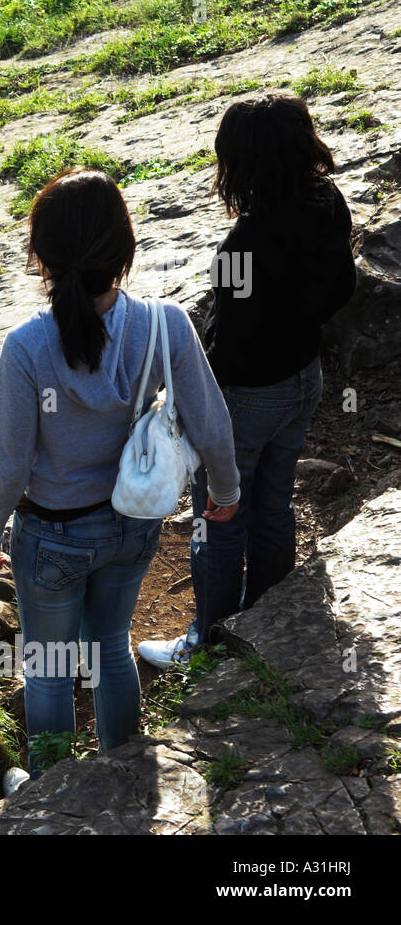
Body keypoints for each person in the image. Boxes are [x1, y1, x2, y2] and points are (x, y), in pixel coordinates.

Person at [0, 169, 240, 782]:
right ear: (126, 248)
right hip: (132, 523)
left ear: (42, 258)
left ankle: (50, 790)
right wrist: (225, 490)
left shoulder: (27, 347)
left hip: (51, 536)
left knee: (49, 667)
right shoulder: (166, 324)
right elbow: (211, 424)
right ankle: (123, 772)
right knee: (111, 643)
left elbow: (6, 467)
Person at [139, 93, 356, 669]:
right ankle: (266, 622)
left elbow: (226, 340)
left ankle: (207, 642)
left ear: (243, 165)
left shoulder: (242, 246)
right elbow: (343, 287)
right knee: (274, 503)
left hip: (245, 400)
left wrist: (194, 406)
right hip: (303, 379)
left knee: (219, 515)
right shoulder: (330, 204)